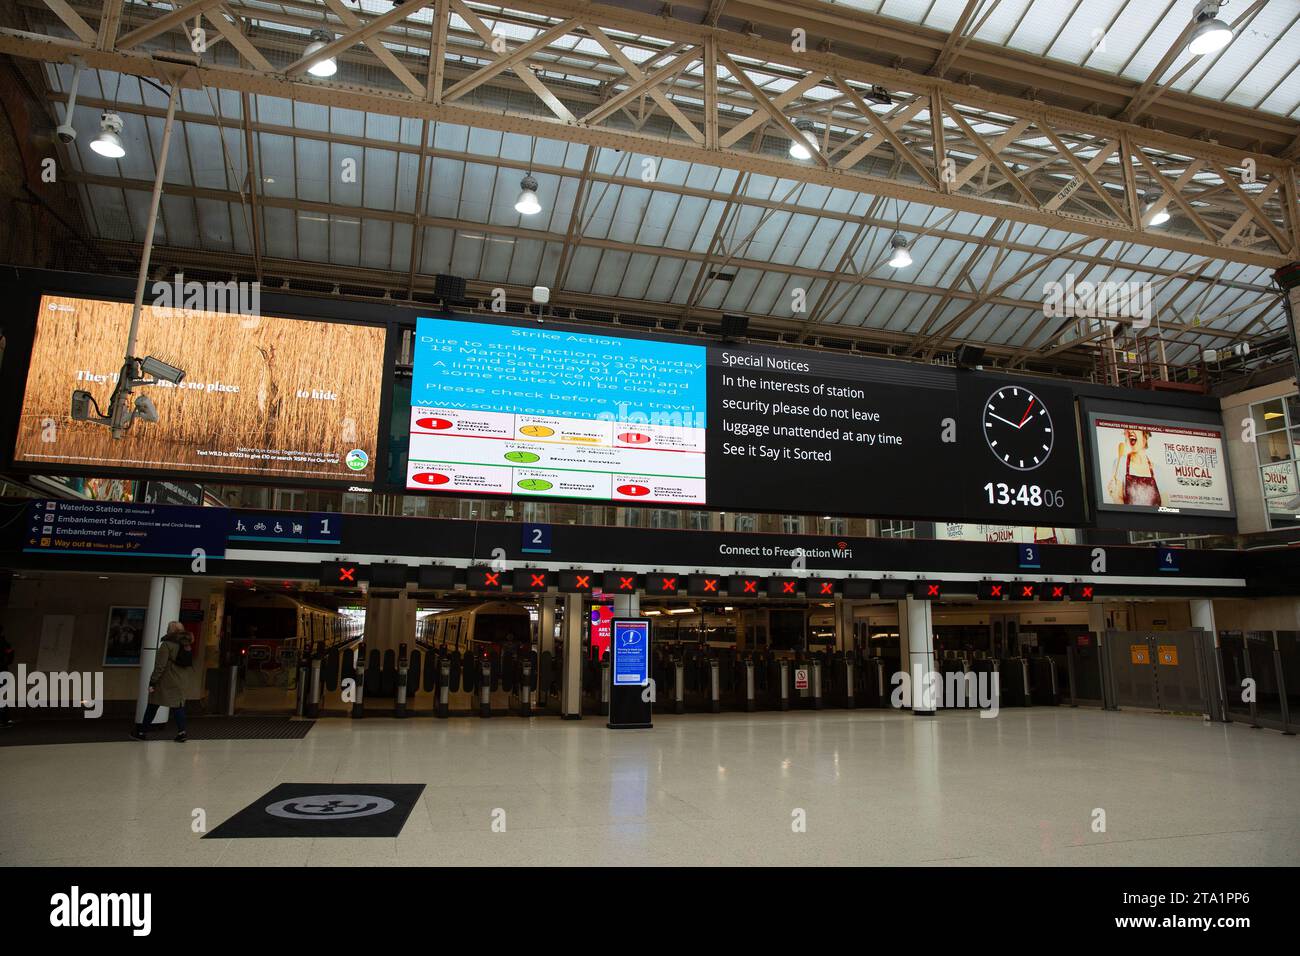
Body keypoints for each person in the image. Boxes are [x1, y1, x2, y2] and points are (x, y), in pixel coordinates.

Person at [131, 622, 194, 742]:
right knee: (178, 706)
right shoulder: (186, 644)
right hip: (181, 681)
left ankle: (141, 732)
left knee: (153, 704)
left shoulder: (167, 644)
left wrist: (153, 682)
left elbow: (160, 666)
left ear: (170, 631)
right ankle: (182, 732)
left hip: (166, 681)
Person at [1108, 428, 1162, 507]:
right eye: (1127, 429)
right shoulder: (1120, 463)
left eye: (1135, 428)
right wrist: (1115, 496)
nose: (1130, 431)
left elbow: (1166, 507)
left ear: (1145, 437)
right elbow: (1119, 500)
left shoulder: (1158, 470)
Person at [0, 628, 15, 728]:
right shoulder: (5, 643)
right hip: (3, 670)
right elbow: (11, 654)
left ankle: (3, 718)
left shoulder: (3, 643)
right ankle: (5, 718)